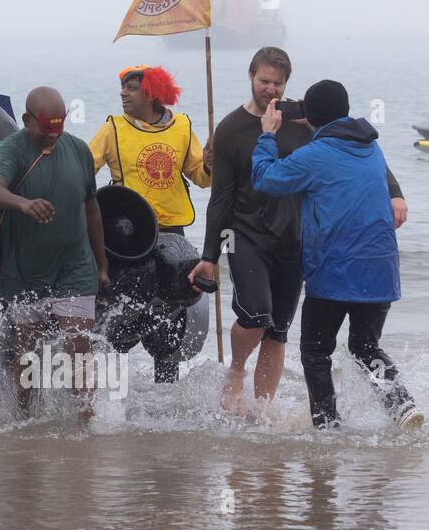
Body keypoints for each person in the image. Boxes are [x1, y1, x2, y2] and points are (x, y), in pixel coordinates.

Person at [187, 47, 406, 412]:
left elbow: (357, 152)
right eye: (263, 81)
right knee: (256, 314)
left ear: (287, 84)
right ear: (250, 76)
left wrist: (395, 194)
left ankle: (264, 413)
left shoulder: (306, 126)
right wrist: (210, 255)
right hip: (245, 235)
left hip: (294, 239)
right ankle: (237, 370)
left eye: (278, 83)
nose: (270, 90)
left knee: (278, 330)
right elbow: (221, 197)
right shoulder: (229, 129)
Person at [251, 81, 422, 430]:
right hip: (381, 268)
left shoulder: (315, 155)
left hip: (335, 270)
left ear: (310, 115)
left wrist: (268, 134)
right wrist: (315, 123)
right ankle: (401, 404)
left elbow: (266, 178)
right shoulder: (371, 146)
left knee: (315, 352)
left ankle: (327, 425)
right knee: (364, 346)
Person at [0, 86, 110, 422]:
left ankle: (86, 422)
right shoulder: (12, 150)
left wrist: (102, 263)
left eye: (59, 126)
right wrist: (23, 203)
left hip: (74, 266)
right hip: (25, 269)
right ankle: (24, 421)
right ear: (26, 120)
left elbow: (92, 208)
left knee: (79, 345)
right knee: (27, 352)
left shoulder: (79, 150)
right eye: (45, 128)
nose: (53, 135)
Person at [88, 65, 211, 234]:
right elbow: (84, 170)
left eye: (131, 89)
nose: (123, 93)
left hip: (172, 227)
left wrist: (209, 166)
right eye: (123, 88)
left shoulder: (181, 127)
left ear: (151, 94)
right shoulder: (112, 129)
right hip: (128, 227)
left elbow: (202, 179)